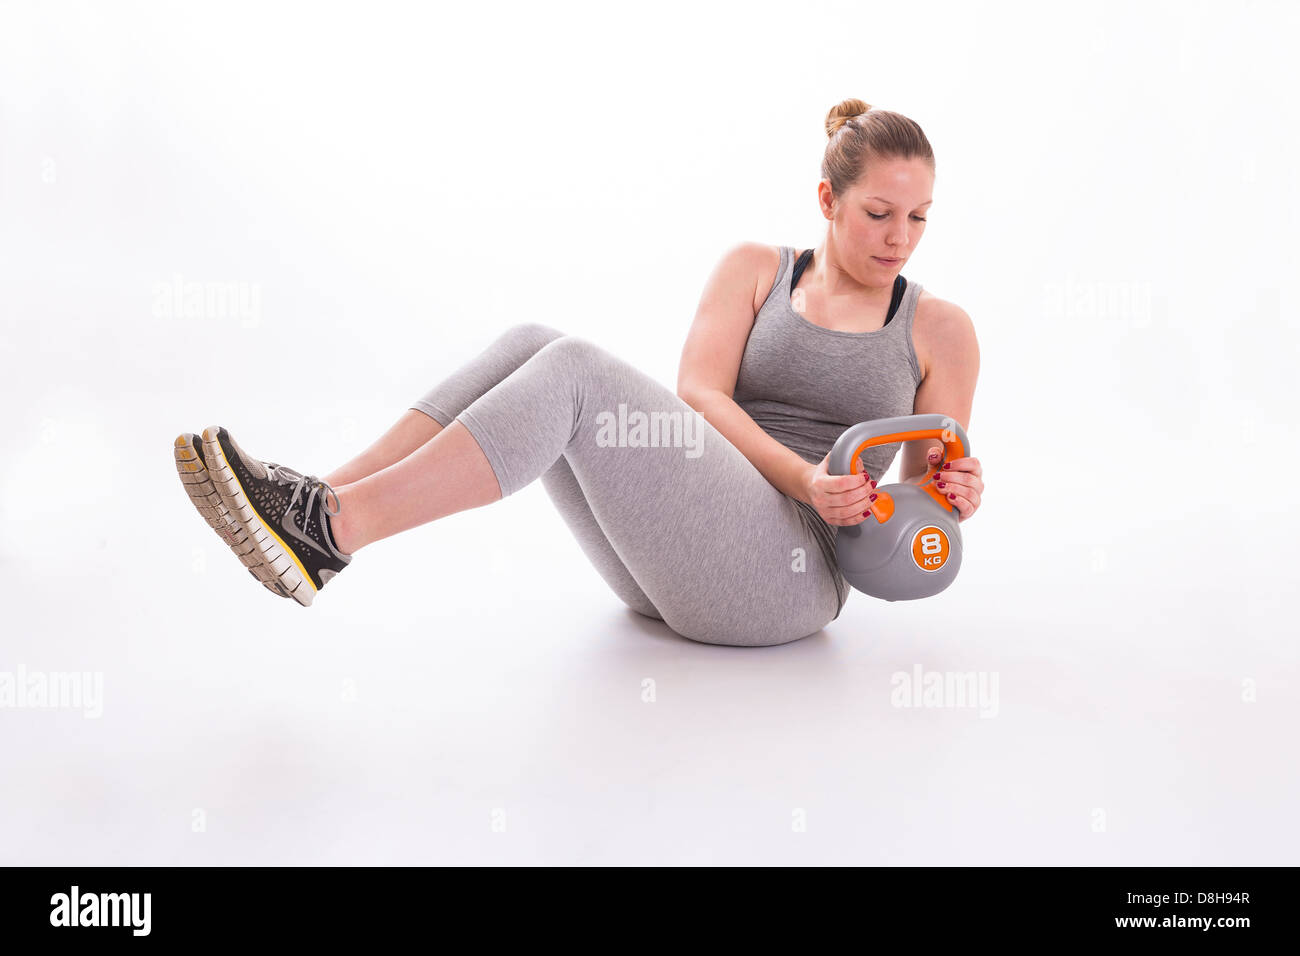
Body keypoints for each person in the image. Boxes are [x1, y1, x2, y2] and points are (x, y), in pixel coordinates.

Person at [172, 97, 983, 647]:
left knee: (575, 372)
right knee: (535, 339)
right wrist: (801, 473)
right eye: (879, 213)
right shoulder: (757, 270)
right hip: (672, 558)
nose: (899, 237)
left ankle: (332, 530)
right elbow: (699, 396)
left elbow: (921, 510)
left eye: (918, 217)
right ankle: (318, 503)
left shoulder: (941, 330)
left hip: (786, 582)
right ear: (828, 200)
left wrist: (954, 499)